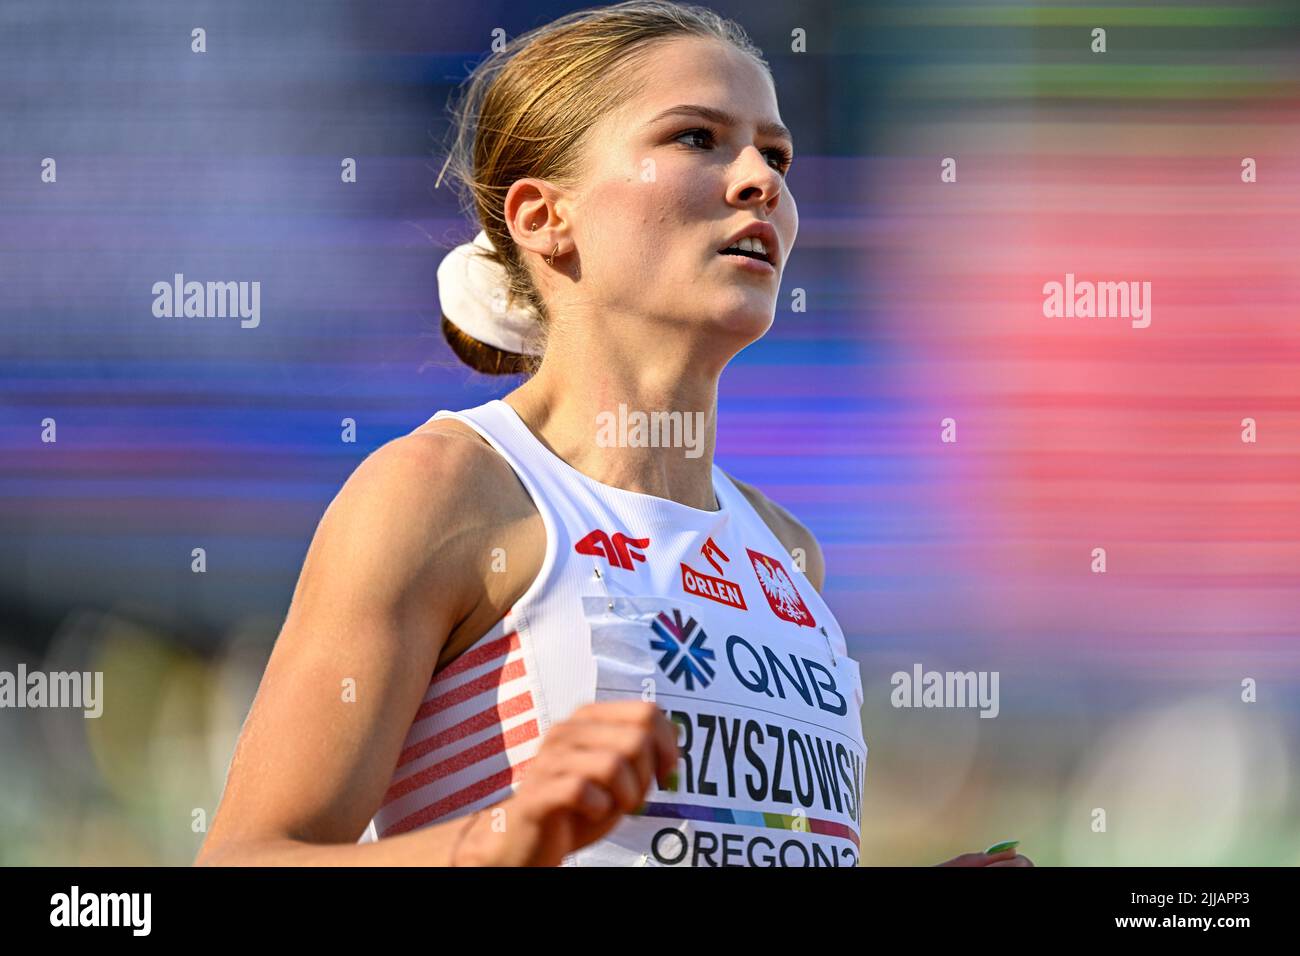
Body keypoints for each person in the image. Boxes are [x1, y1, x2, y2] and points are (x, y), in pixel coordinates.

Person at [195, 0, 1031, 868]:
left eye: (776, 153)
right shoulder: (443, 492)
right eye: (697, 138)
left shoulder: (788, 555)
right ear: (542, 217)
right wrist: (494, 845)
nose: (763, 180)